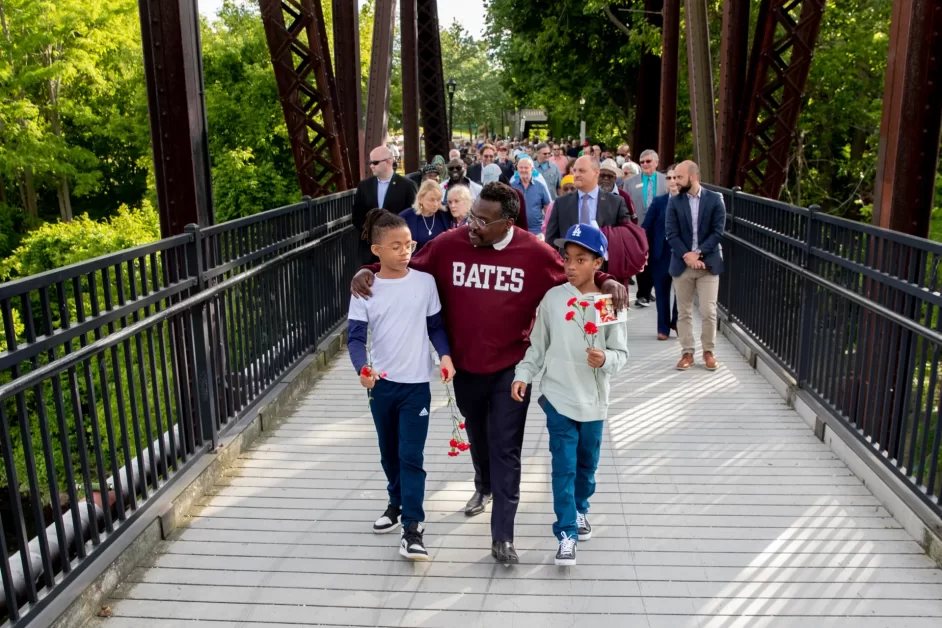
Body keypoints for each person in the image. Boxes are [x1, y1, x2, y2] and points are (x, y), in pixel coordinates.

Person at [350, 182, 628, 565]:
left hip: (512, 369)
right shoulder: (450, 244)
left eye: (482, 219)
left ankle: (503, 537)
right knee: (479, 435)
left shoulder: (533, 251)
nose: (472, 224)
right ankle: (483, 484)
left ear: (508, 223)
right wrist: (365, 272)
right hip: (465, 367)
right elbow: (401, 266)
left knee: (506, 448)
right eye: (471, 215)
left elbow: (575, 273)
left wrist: (608, 280)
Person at [511, 223, 628, 566]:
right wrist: (523, 375)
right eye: (567, 259)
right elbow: (537, 346)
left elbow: (621, 355)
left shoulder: (607, 303)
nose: (572, 266)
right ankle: (566, 534)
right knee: (563, 466)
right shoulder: (553, 299)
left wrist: (605, 358)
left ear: (598, 263)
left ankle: (580, 509)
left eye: (581, 259)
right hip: (559, 398)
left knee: (586, 467)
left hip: (593, 402)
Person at [347, 208, 455, 561]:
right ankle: (395, 503)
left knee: (411, 455)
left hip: (416, 386)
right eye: (396, 246)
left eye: (408, 244)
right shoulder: (366, 288)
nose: (405, 251)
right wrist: (363, 368)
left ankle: (413, 527)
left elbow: (436, 326)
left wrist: (445, 355)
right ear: (376, 251)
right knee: (388, 452)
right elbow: (356, 338)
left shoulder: (424, 283)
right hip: (381, 386)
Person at [665, 160, 726, 371]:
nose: (675, 181)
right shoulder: (674, 201)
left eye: (679, 177)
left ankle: (708, 351)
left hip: (708, 264)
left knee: (708, 310)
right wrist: (687, 256)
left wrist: (698, 253)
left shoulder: (715, 200)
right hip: (683, 264)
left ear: (692, 177)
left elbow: (718, 232)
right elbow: (671, 233)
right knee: (684, 312)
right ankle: (687, 353)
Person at [352, 145, 417, 264]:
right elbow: (357, 216)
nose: (371, 165)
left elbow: (413, 216)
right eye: (370, 162)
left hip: (397, 248)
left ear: (388, 161)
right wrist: (372, 234)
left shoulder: (407, 186)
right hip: (370, 249)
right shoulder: (364, 186)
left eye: (375, 162)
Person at [544, 156, 631, 246]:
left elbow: (626, 236)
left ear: (596, 173)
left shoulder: (616, 203)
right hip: (568, 259)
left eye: (582, 171)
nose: (576, 175)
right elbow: (551, 241)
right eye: (575, 170)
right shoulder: (561, 203)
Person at [622, 149, 667, 307]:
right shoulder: (630, 182)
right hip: (639, 226)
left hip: (660, 227)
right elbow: (625, 205)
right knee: (642, 259)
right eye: (642, 162)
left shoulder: (665, 180)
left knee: (657, 258)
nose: (645, 164)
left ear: (656, 162)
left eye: (648, 161)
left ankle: (648, 290)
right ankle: (642, 294)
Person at [643, 165, 680, 340]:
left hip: (681, 254)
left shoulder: (689, 201)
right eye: (669, 178)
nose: (672, 181)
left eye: (676, 177)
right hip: (661, 253)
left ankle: (677, 321)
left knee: (682, 292)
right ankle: (663, 328)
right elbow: (646, 228)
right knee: (662, 291)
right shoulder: (658, 202)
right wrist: (646, 250)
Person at [401, 179, 452, 251]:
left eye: (438, 199)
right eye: (431, 200)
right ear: (420, 199)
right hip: (417, 260)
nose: (436, 204)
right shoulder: (405, 217)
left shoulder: (446, 213)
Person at [510, 157, 552, 238]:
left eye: (526, 167)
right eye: (521, 167)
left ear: (532, 169)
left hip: (537, 231)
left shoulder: (540, 186)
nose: (523, 170)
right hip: (518, 230)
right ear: (517, 169)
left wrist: (547, 227)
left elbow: (548, 208)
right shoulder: (512, 186)